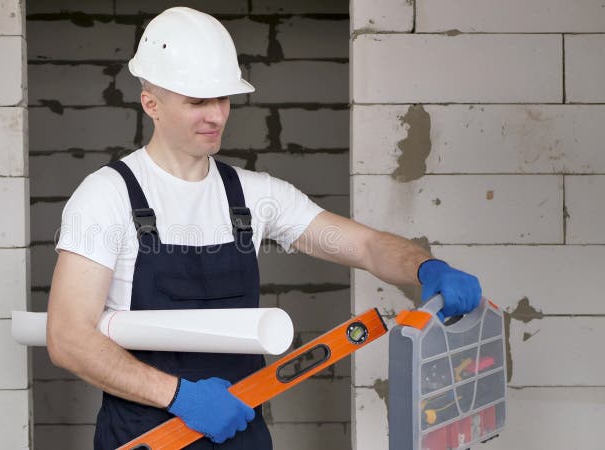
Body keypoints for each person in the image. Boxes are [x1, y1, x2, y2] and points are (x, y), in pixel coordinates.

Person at [46, 6, 482, 449]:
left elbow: (365, 246)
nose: (216, 115)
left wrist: (426, 268)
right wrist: (179, 397)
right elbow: (68, 337)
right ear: (151, 103)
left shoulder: (255, 196)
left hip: (239, 430)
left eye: (223, 98)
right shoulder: (107, 196)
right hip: (150, 437)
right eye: (197, 101)